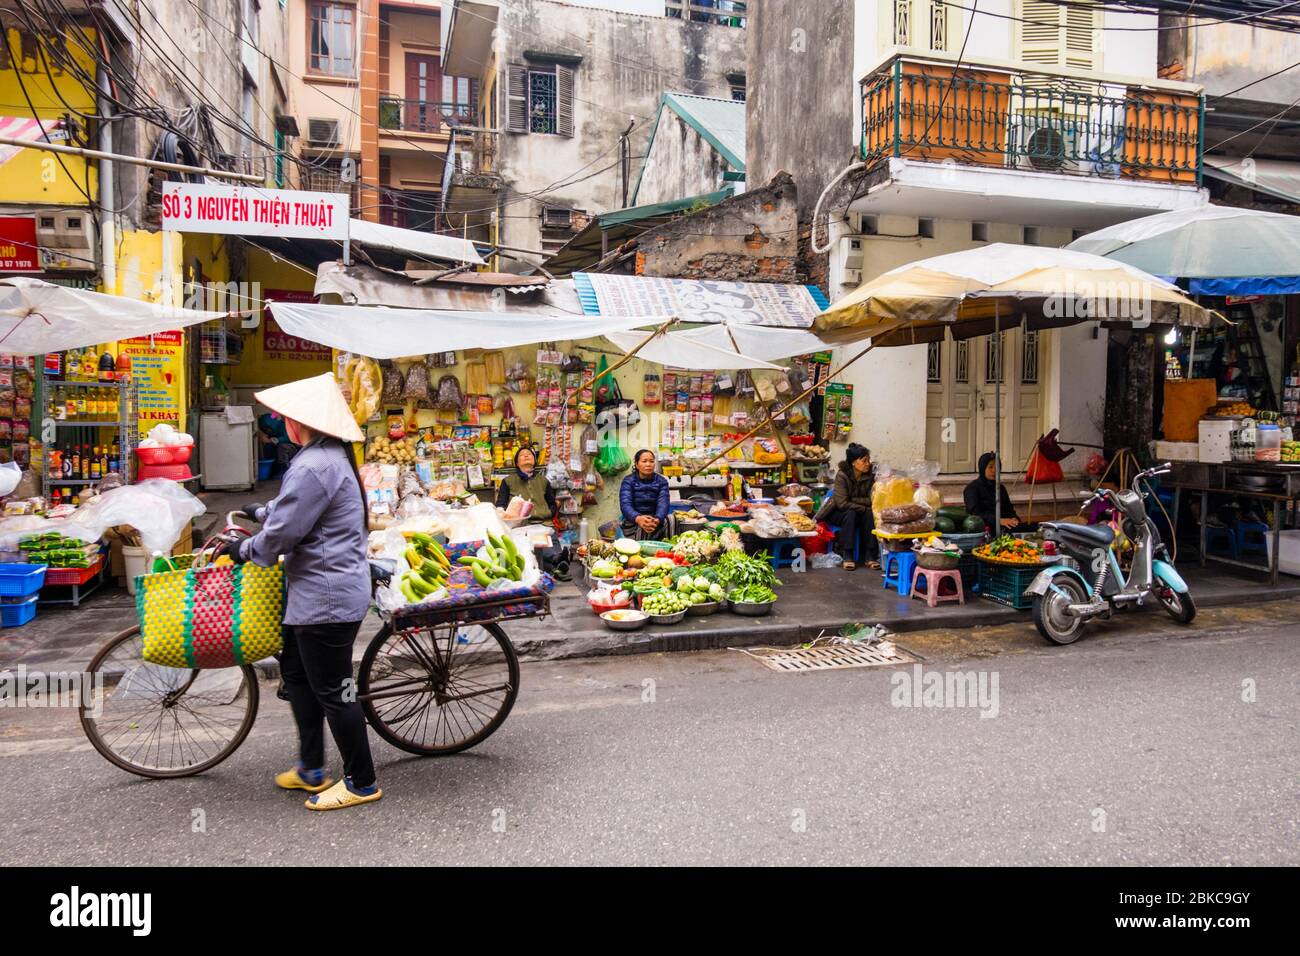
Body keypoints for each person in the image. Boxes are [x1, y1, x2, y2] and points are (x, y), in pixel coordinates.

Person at [214, 372, 381, 812]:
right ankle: (311, 768)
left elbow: (283, 533)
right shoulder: (324, 457)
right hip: (315, 593)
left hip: (327, 598)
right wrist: (261, 509)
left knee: (334, 691)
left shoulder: (315, 464)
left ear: (298, 423)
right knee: (297, 675)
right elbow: (296, 507)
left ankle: (362, 781)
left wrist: (244, 549)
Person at [822, 443, 879, 570]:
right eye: (864, 461)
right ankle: (847, 554)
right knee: (851, 513)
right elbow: (842, 503)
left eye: (868, 460)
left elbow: (872, 499)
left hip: (857, 510)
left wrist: (853, 500)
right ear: (854, 462)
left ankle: (870, 555)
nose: (867, 463)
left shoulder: (870, 476)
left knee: (870, 513)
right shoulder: (842, 476)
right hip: (838, 512)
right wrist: (862, 506)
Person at [964, 451, 1033, 533]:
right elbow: (975, 514)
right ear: (982, 468)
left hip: (1004, 525)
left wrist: (1014, 518)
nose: (994, 470)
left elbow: (1009, 509)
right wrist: (998, 520)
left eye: (997, 467)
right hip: (984, 528)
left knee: (1033, 527)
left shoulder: (1000, 488)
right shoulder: (972, 489)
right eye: (990, 467)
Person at [494, 445, 556, 520]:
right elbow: (501, 505)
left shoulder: (543, 480)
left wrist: (550, 513)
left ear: (534, 461)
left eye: (529, 454)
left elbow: (552, 503)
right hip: (520, 526)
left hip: (545, 523)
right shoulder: (508, 481)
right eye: (522, 455)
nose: (526, 455)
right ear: (517, 463)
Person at [619, 448, 669, 539]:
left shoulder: (662, 481)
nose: (648, 464)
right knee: (643, 527)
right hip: (633, 521)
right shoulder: (628, 481)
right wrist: (638, 518)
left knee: (671, 520)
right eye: (644, 461)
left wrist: (657, 519)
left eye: (651, 461)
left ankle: (669, 549)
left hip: (654, 520)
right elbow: (625, 505)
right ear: (637, 465)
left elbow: (663, 503)